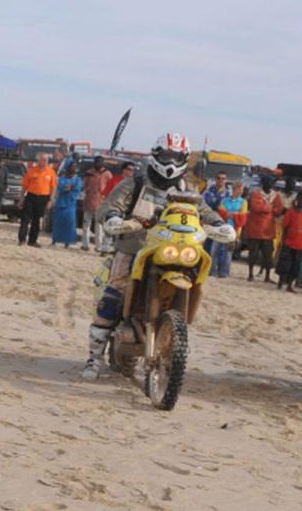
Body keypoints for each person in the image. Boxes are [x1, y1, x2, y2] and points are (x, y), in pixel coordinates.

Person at [82, 133, 224, 379]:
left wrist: (220, 224)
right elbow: (110, 206)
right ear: (156, 155)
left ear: (184, 160)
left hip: (172, 252)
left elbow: (205, 212)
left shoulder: (187, 191)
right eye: (166, 156)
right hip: (133, 248)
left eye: (176, 157)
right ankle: (94, 357)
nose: (171, 162)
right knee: (113, 294)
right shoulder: (135, 184)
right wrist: (113, 217)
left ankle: (172, 340)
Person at [276, 188, 302, 291]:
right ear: (297, 200)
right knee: (285, 263)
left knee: (296, 265)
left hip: (300, 244)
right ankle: (281, 281)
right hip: (289, 242)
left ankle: (290, 285)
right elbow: (285, 227)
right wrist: (284, 241)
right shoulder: (290, 212)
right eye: (301, 199)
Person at [243, 181, 279, 281]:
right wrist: (270, 207)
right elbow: (256, 208)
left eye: (272, 184)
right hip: (255, 230)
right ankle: (250, 274)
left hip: (268, 231)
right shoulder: (256, 194)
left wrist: (266, 208)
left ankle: (267, 276)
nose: (270, 185)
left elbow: (279, 209)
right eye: (269, 183)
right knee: (253, 254)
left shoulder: (275, 196)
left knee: (268, 255)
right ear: (264, 184)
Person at [18, 153, 54, 246]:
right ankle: (22, 239)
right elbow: (24, 186)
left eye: (46, 160)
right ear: (39, 160)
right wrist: (21, 198)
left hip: (43, 198)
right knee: (25, 219)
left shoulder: (51, 172)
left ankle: (32, 241)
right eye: (43, 159)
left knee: (36, 220)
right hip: (31, 196)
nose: (45, 161)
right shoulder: (31, 171)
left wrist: (51, 200)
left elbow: (53, 187)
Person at [214, 183, 246, 278]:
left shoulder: (243, 202)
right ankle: (214, 270)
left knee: (228, 252)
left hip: (234, 229)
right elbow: (221, 213)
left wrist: (231, 214)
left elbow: (243, 217)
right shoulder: (225, 200)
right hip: (222, 228)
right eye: (239, 189)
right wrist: (235, 214)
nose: (241, 191)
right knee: (216, 250)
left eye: (242, 189)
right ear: (234, 189)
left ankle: (224, 272)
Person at [82, 160, 112, 249]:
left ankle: (98, 246)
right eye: (97, 163)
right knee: (86, 224)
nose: (98, 164)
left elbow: (110, 187)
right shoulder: (89, 173)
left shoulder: (107, 174)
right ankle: (85, 245)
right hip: (89, 201)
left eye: (100, 163)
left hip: (101, 203)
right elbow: (84, 185)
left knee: (99, 226)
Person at [51, 160, 81, 247]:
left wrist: (70, 188)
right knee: (58, 222)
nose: (74, 168)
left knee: (70, 222)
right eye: (72, 166)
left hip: (71, 204)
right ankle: (55, 240)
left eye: (75, 167)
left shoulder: (78, 179)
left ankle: (67, 242)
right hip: (61, 203)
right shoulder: (62, 178)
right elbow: (59, 188)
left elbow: (78, 189)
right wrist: (67, 188)